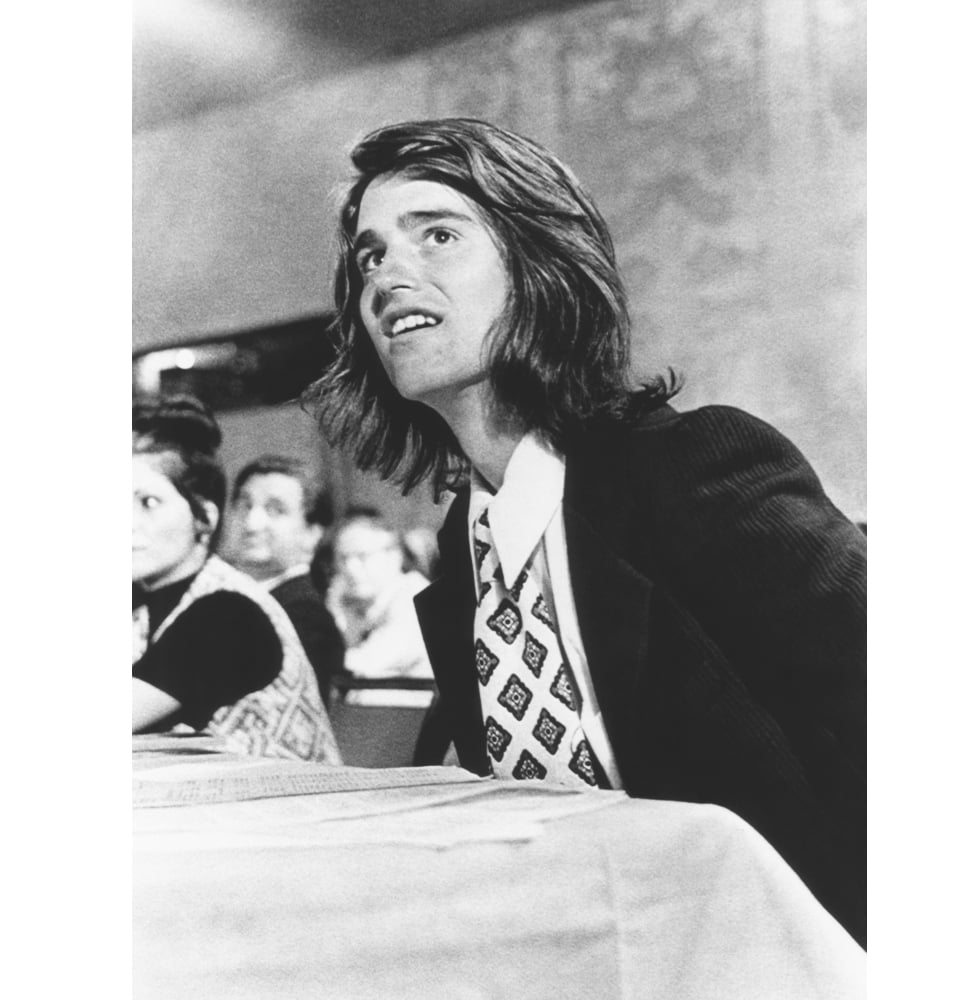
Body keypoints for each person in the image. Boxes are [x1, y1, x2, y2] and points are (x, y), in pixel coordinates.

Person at [302, 118, 866, 944]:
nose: (389, 276)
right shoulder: (465, 546)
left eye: (439, 235)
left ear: (538, 268)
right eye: (371, 257)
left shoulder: (693, 466)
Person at [132, 395, 341, 764]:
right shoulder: (144, 603)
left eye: (148, 502)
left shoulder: (228, 614)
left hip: (291, 800)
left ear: (204, 518)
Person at [226, 455, 346, 709]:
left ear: (312, 534)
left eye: (276, 510)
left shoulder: (306, 619)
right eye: (245, 505)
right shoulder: (222, 599)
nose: (252, 523)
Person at [326, 507, 434, 707]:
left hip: (421, 715)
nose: (350, 568)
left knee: (367, 695)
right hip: (386, 716)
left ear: (394, 557)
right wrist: (336, 606)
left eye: (362, 557)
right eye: (343, 558)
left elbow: (366, 663)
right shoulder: (354, 601)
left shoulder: (416, 596)